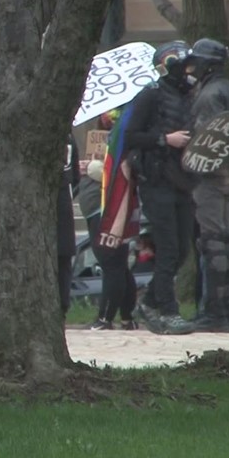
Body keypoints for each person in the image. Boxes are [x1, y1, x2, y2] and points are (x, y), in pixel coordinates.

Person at [122, 41, 198, 336]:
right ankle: (168, 310)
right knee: (167, 248)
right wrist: (166, 139)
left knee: (181, 249)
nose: (189, 72)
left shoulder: (189, 95)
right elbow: (130, 136)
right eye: (184, 66)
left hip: (183, 180)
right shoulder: (150, 96)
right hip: (157, 181)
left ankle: (150, 300)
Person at [185, 38, 229, 334]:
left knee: (213, 244)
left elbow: (205, 144)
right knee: (227, 241)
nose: (192, 67)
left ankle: (216, 311)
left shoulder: (209, 95)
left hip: (209, 179)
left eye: (197, 62)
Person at [85, 109, 140, 330]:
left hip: (110, 205)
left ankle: (105, 318)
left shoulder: (125, 137)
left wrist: (97, 169)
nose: (108, 117)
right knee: (118, 265)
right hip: (95, 204)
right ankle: (127, 317)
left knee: (112, 263)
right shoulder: (99, 137)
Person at [57, 134, 81, 315]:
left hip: (61, 201)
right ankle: (61, 305)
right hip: (63, 199)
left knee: (62, 256)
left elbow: (76, 177)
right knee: (62, 258)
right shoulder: (69, 138)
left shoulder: (68, 140)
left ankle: (61, 305)